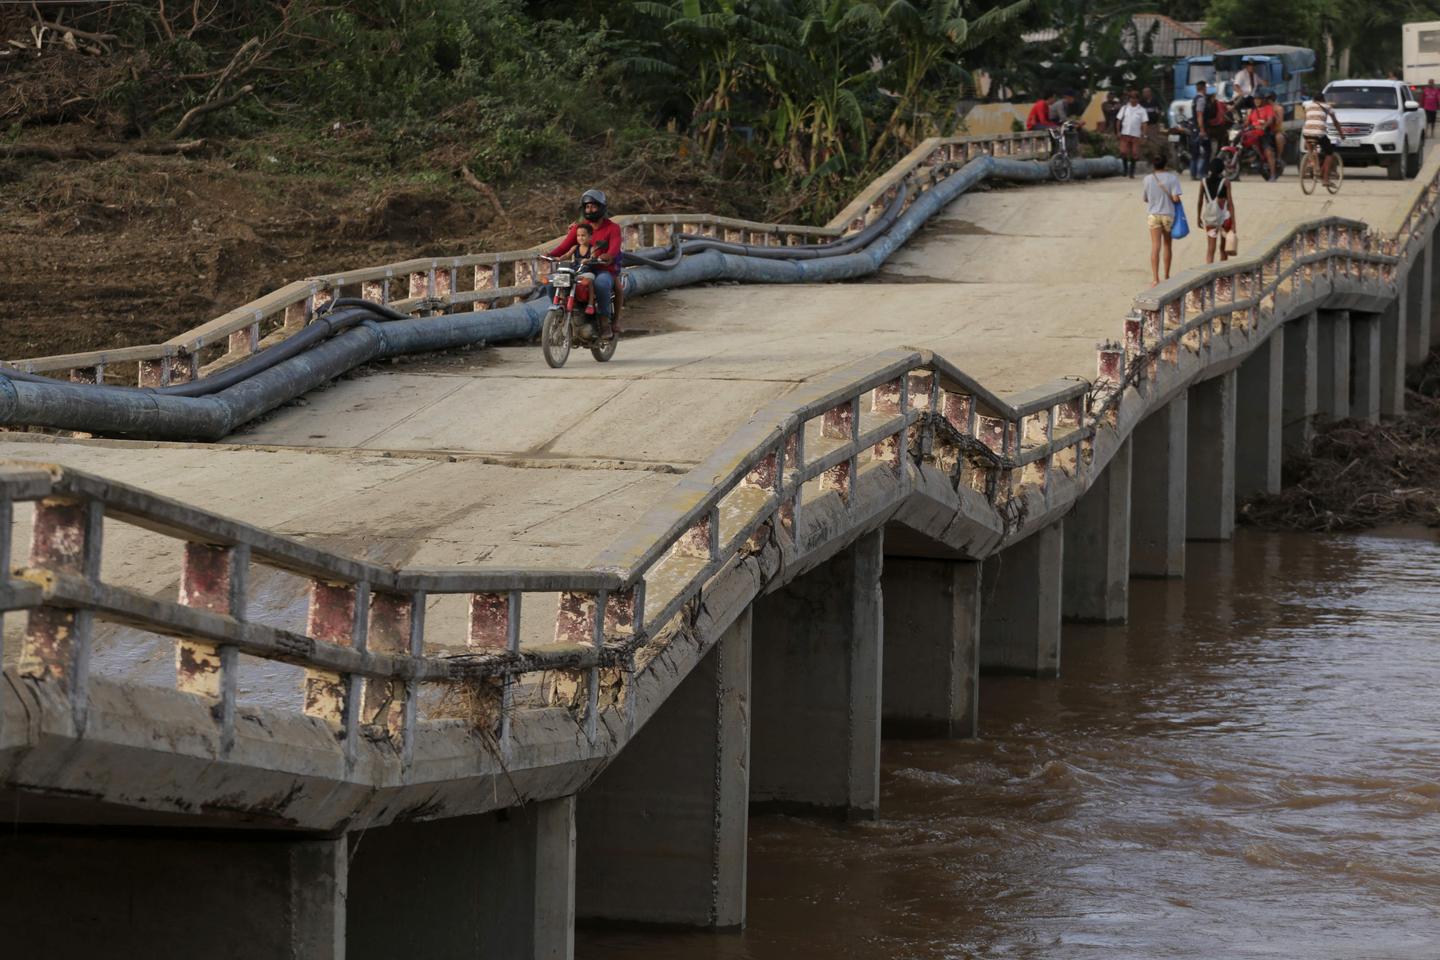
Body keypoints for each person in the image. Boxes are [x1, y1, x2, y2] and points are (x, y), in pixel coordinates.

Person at [548, 188, 623, 334]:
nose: (590, 209)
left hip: (602, 269)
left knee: (601, 284)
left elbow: (614, 248)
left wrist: (608, 256)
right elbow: (564, 246)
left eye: (594, 206)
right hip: (580, 269)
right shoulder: (579, 228)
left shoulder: (613, 228)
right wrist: (549, 255)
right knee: (552, 283)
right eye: (587, 206)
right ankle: (561, 313)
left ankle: (604, 320)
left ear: (602, 207)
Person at [1142, 153, 1183, 286]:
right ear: (1166, 164)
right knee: (1167, 245)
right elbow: (1176, 198)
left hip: (1153, 215)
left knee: (1155, 246)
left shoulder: (1147, 179)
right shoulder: (1172, 178)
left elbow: (1145, 199)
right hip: (1168, 214)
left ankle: (1155, 279)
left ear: (1153, 165)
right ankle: (1166, 276)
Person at [1197, 158, 1236, 264]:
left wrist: (1198, 218)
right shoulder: (1226, 182)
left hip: (1210, 219)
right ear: (1222, 169)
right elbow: (1230, 203)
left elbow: (1200, 201)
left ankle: (1209, 271)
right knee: (1223, 249)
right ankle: (1222, 273)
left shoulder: (1203, 182)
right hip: (1224, 220)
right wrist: (1233, 224)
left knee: (1210, 249)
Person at [1302, 91, 1341, 187]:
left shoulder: (1308, 106)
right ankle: (1326, 179)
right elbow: (1335, 122)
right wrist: (1341, 134)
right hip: (1319, 133)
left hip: (1306, 133)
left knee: (1309, 144)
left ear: (1313, 100)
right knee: (1329, 153)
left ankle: (1312, 163)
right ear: (1323, 99)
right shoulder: (1327, 107)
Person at [1245, 90, 1282, 181]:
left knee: (1269, 152)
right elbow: (1246, 123)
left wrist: (1264, 126)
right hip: (1253, 134)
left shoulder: (1268, 108)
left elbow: (1270, 120)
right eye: (1255, 99)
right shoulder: (1252, 111)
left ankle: (1272, 175)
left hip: (1264, 133)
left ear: (1262, 100)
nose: (1256, 101)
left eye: (1258, 99)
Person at [1116, 89, 1148, 178]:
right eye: (1131, 98)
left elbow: (1144, 123)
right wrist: (1118, 131)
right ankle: (1125, 169)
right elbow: (1118, 120)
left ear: (1138, 99)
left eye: (1135, 98)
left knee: (1134, 153)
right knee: (1123, 152)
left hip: (1136, 134)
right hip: (1125, 133)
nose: (1133, 100)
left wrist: (1144, 134)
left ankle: (1131, 172)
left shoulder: (1142, 110)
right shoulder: (1124, 108)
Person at [1191, 80, 1214, 179]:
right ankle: (1202, 172)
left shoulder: (1194, 99)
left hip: (1194, 128)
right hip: (1200, 129)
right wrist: (1202, 130)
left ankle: (1193, 173)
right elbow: (1199, 115)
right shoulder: (1201, 100)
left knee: (1195, 151)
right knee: (1208, 150)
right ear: (1204, 88)